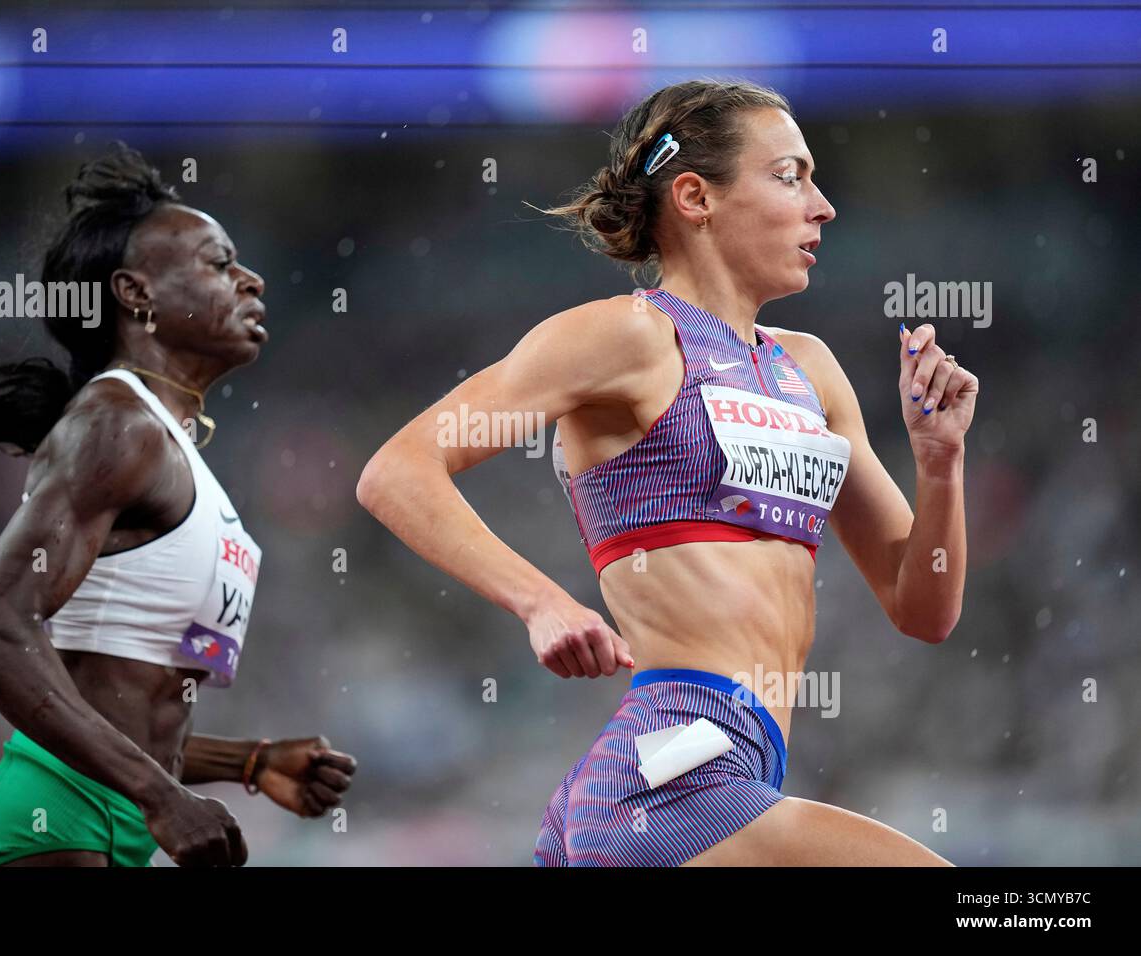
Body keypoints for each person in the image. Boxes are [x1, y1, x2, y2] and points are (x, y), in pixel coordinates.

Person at [356, 80, 977, 866]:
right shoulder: (628, 338)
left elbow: (923, 607)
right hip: (670, 782)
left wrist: (941, 463)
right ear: (695, 196)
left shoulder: (810, 371)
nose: (822, 207)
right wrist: (541, 601)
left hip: (723, 775)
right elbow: (398, 470)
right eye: (791, 176)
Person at [0, 143, 356, 867]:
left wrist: (249, 761)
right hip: (45, 826)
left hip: (101, 824)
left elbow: (113, 699)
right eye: (219, 264)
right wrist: (161, 798)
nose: (251, 280)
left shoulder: (166, 445)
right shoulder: (117, 426)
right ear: (136, 293)